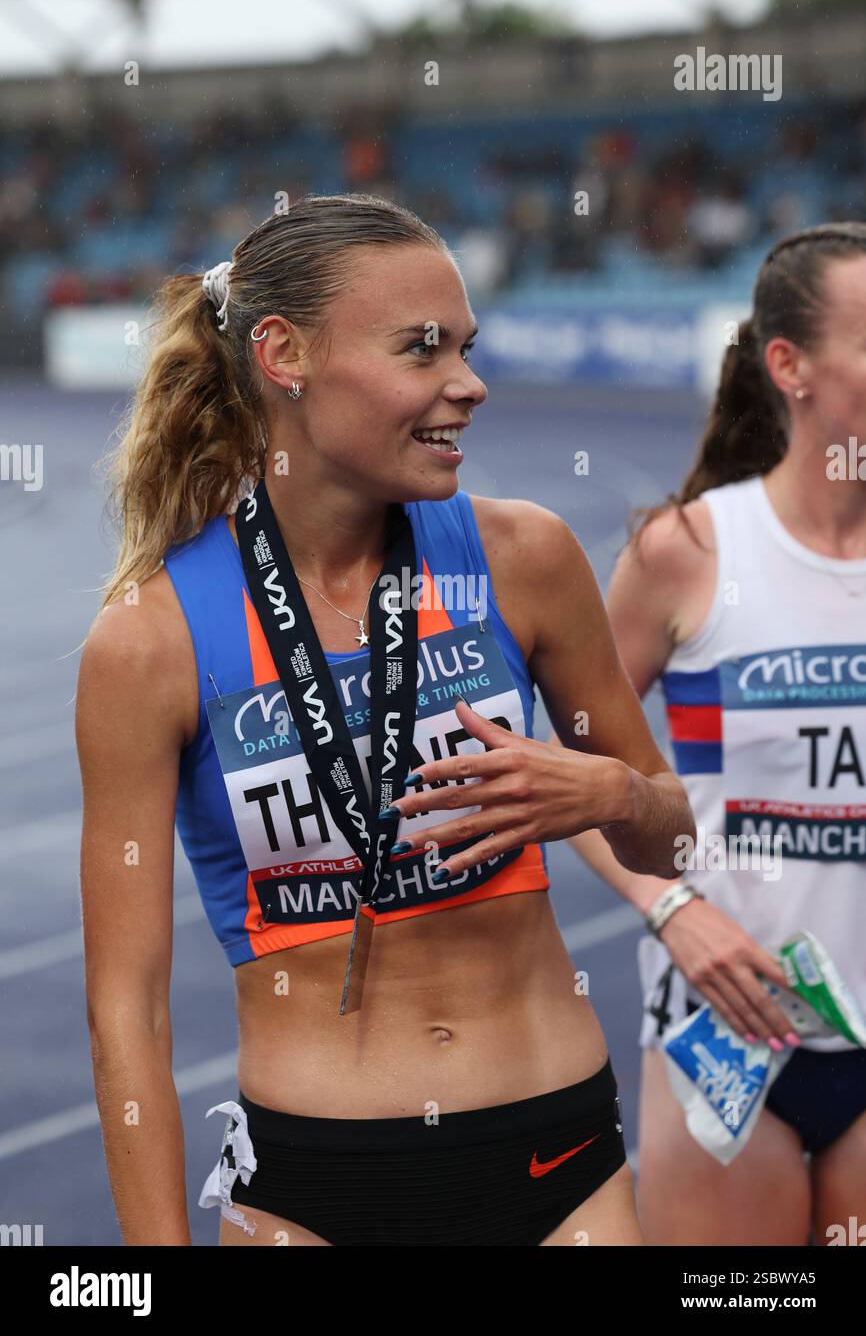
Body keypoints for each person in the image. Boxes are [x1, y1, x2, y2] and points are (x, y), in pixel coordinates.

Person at [76, 193, 693, 1248]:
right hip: (313, 1185)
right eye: (421, 349)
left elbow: (673, 834)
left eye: (465, 346)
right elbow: (125, 1008)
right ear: (285, 353)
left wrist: (614, 793)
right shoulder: (149, 641)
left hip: (556, 1161)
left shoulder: (523, 557)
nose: (469, 383)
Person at [559, 223, 866, 1246]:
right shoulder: (687, 551)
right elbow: (572, 770)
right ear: (790, 366)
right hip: (725, 1045)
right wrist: (670, 905)